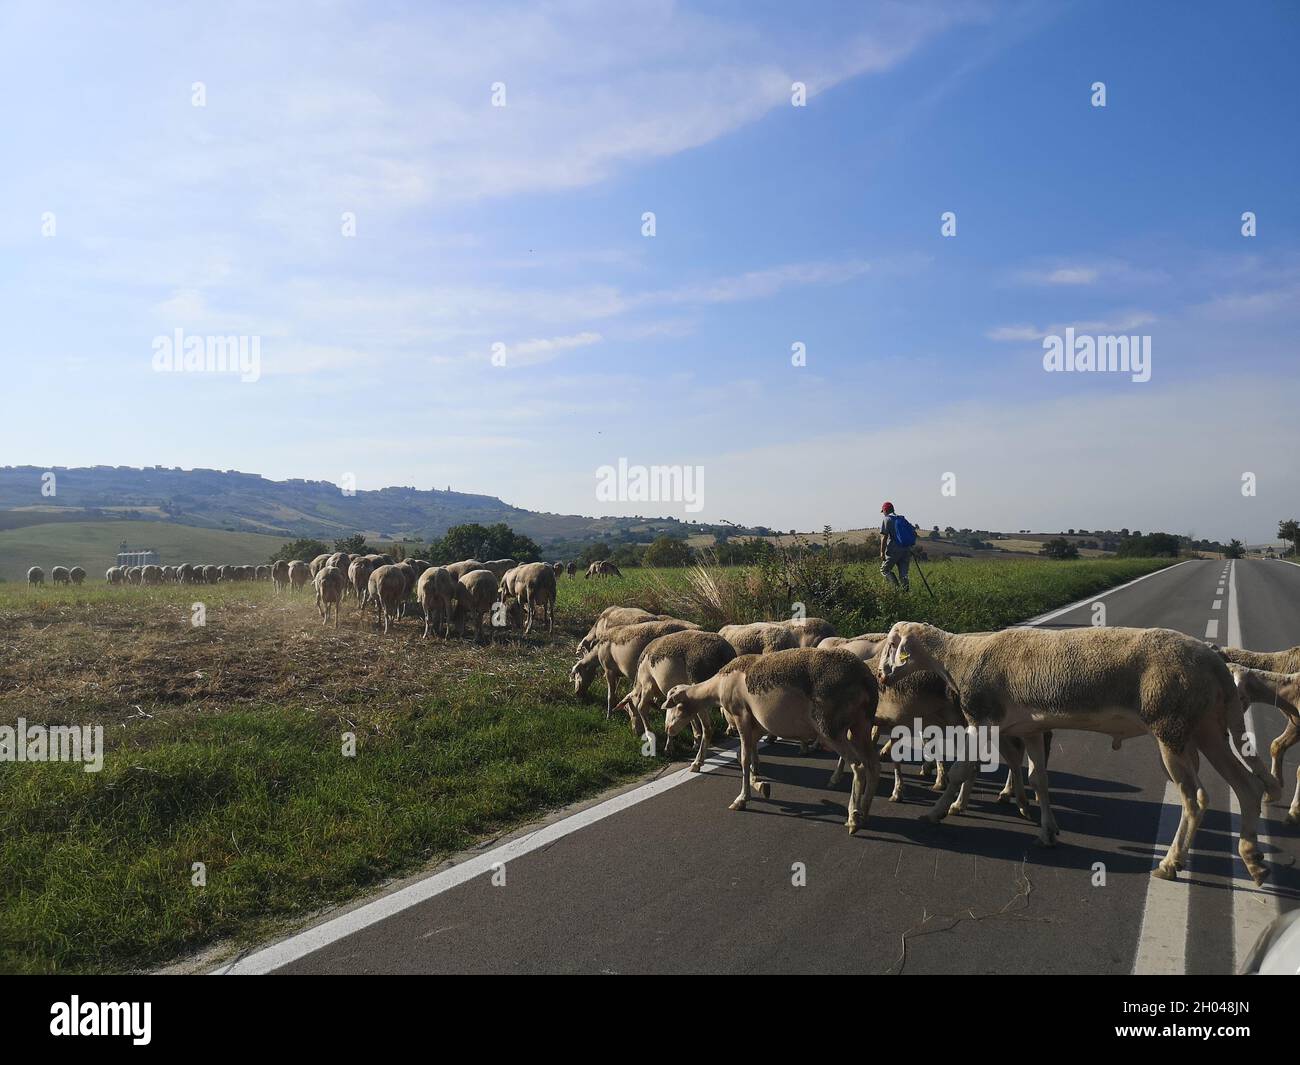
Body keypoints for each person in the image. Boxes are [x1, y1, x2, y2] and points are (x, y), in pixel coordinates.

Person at [879, 501, 912, 591]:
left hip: (893, 550)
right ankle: (905, 592)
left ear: (885, 510)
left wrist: (882, 552)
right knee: (904, 574)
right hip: (906, 549)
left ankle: (896, 588)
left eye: (883, 511)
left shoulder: (887, 519)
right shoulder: (902, 519)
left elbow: (884, 537)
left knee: (884, 570)